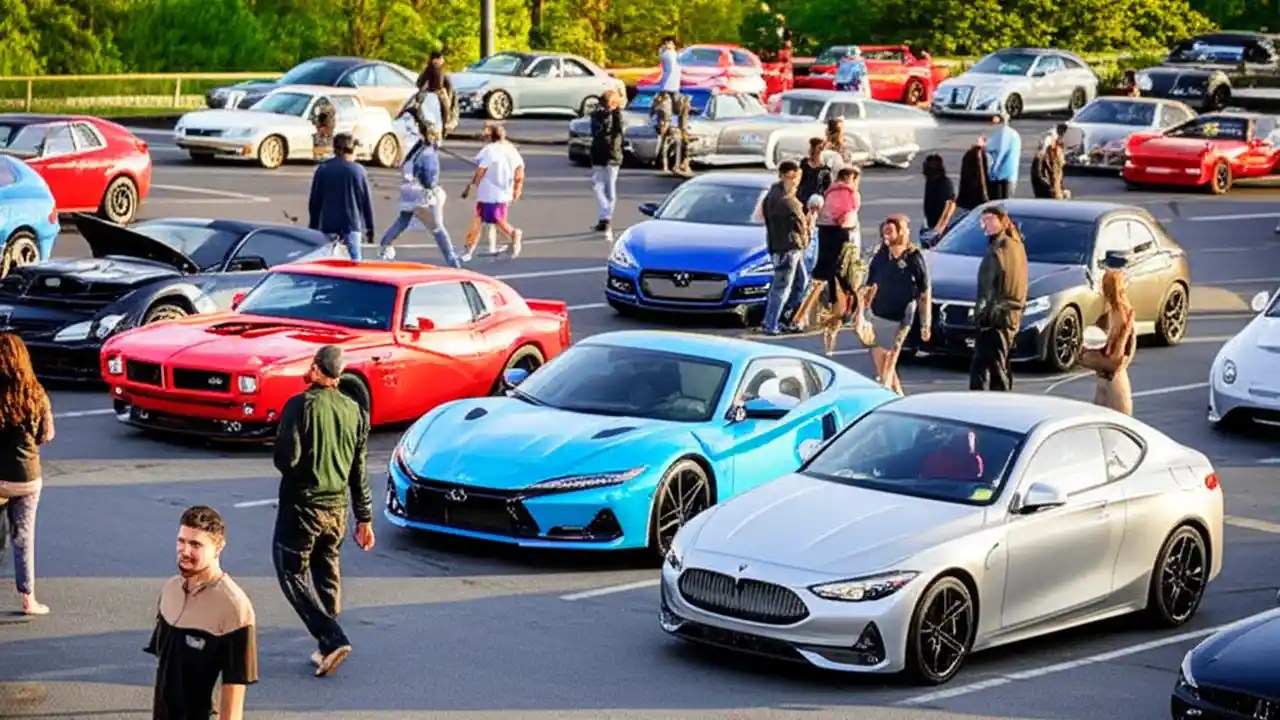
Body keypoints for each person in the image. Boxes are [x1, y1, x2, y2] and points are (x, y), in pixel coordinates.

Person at [272, 345, 374, 678]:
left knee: (291, 572)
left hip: (303, 508)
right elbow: (358, 469)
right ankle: (327, 641)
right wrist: (365, 518)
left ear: (316, 369)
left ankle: (331, 637)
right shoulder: (355, 410)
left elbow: (286, 459)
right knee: (326, 568)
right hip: (338, 511)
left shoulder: (300, 405)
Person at [146, 506, 257, 720]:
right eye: (181, 541)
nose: (185, 551)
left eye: (195, 544)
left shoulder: (234, 608)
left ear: (218, 548)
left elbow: (234, 699)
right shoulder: (170, 591)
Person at [0, 334, 53, 616]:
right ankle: (28, 600)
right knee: (24, 538)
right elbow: (47, 434)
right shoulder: (36, 393)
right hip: (27, 480)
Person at [859, 215, 932, 396]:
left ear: (900, 233)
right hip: (878, 313)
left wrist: (926, 323)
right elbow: (869, 286)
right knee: (880, 358)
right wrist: (861, 314)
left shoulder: (914, 257)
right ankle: (898, 395)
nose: (886, 235)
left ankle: (883, 392)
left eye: (890, 231)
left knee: (891, 356)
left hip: (902, 316)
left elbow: (924, 292)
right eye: (884, 231)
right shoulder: (881, 256)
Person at [378, 108, 457, 265]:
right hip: (422, 192)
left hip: (410, 189)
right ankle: (452, 261)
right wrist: (430, 187)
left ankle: (385, 245)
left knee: (403, 220)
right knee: (437, 228)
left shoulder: (419, 146)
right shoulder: (427, 151)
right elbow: (428, 174)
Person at [794, 166, 860, 332]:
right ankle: (845, 312)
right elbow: (846, 217)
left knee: (822, 275)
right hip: (840, 235)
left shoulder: (829, 191)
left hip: (824, 233)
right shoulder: (849, 193)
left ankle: (812, 314)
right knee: (843, 275)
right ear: (849, 178)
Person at [970, 206, 1029, 391]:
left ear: (1002, 221)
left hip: (997, 317)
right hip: (1006, 315)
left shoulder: (1001, 248)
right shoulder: (1014, 244)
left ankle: (994, 401)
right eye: (983, 221)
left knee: (991, 367)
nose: (984, 225)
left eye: (989, 220)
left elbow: (990, 286)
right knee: (995, 363)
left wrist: (983, 313)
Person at [461, 123, 525, 260]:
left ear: (491, 137)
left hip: (490, 192)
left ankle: (513, 234)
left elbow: (481, 170)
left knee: (496, 218)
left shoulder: (490, 150)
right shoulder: (511, 149)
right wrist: (517, 188)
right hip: (504, 191)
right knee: (480, 217)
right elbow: (519, 170)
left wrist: (472, 185)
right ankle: (469, 247)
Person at [307, 133, 375, 261]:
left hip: (328, 224)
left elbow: (315, 202)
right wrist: (370, 228)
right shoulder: (358, 170)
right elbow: (366, 202)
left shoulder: (323, 169)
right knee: (355, 260)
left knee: (327, 260)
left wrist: (313, 225)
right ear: (351, 150)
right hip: (351, 225)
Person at [760, 160, 809, 335]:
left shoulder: (773, 195)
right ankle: (771, 323)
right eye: (791, 177)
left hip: (785, 246)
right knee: (782, 287)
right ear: (782, 176)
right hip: (788, 248)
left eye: (796, 177)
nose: (794, 181)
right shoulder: (787, 201)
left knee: (801, 282)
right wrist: (806, 235)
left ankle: (784, 317)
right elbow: (802, 225)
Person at [1080, 264, 1136, 415]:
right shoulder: (1117, 310)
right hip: (1110, 376)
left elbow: (1116, 352)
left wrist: (1091, 357)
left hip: (1113, 379)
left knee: (1112, 417)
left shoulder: (1120, 313)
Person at [589, 88, 624, 235]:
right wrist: (603, 115)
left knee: (610, 190)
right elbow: (596, 132)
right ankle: (603, 218)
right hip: (598, 155)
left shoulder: (617, 116)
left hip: (612, 156)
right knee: (598, 187)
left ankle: (606, 219)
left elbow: (619, 130)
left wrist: (615, 114)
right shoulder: (596, 115)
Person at [921, 153, 956, 246]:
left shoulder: (944, 183)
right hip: (931, 223)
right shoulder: (930, 182)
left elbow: (949, 206)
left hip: (941, 225)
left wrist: (939, 227)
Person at [985, 111, 1021, 199]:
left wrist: (993, 172)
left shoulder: (1003, 133)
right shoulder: (1012, 133)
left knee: (998, 203)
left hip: (1000, 177)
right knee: (1007, 202)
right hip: (1010, 176)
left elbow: (999, 152)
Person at [1030, 124, 1069, 199]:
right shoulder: (1043, 156)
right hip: (1047, 194)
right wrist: (1052, 191)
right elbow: (1038, 176)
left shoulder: (1056, 156)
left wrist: (1062, 190)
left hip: (1053, 192)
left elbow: (1057, 178)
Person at [955, 138, 990, 220]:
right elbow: (983, 178)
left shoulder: (969, 156)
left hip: (966, 200)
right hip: (976, 200)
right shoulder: (980, 156)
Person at [657, 36, 682, 108]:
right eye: (666, 43)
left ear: (674, 45)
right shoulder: (667, 54)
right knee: (668, 98)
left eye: (669, 43)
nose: (667, 45)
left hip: (672, 81)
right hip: (668, 81)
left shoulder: (673, 54)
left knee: (671, 98)